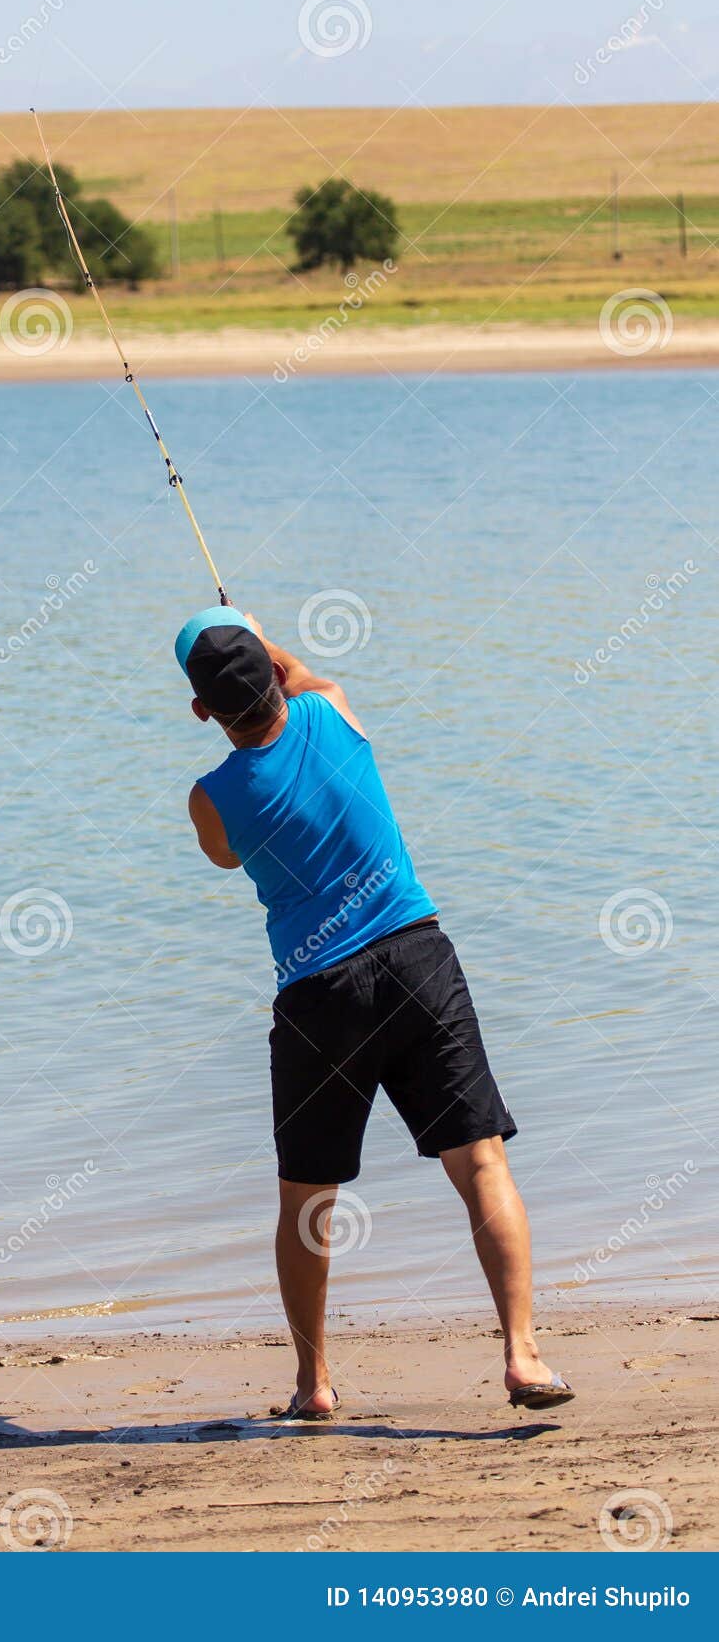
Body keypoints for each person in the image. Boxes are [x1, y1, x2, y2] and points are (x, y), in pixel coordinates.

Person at [176, 605, 574, 1419]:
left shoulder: (210, 797)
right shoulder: (332, 713)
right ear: (274, 673)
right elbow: (303, 679)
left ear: (200, 711)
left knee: (307, 1201)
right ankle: (522, 1356)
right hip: (417, 961)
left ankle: (312, 1384)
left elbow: (224, 857)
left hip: (319, 997)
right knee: (481, 1164)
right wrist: (255, 630)